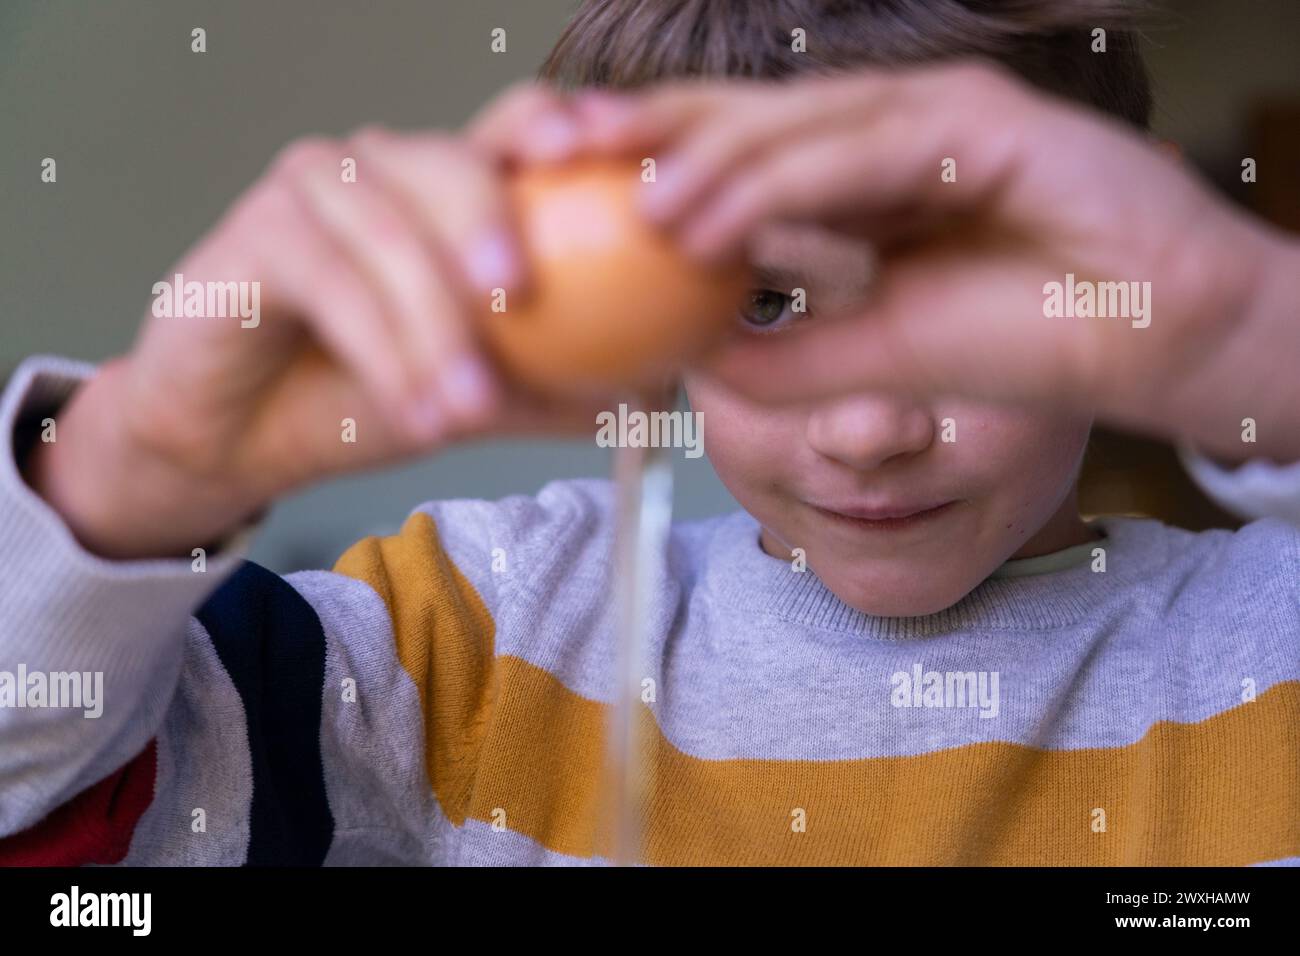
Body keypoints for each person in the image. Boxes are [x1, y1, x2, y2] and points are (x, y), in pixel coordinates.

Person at [1, 0, 1297, 865]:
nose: (869, 427)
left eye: (962, 311)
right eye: (767, 302)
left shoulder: (1265, 648)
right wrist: (138, 469)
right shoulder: (478, 638)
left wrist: (1258, 329)